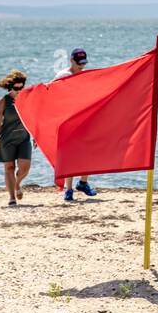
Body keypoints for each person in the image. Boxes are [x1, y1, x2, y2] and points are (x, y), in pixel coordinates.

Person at [54, 48, 98, 202]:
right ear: (71, 61)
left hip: (84, 120)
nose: (81, 66)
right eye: (79, 63)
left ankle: (83, 183)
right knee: (68, 156)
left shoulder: (86, 76)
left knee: (89, 152)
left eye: (84, 63)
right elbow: (52, 95)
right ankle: (69, 189)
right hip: (66, 122)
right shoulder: (63, 76)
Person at [0, 70, 32, 205]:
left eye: (22, 88)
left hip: (24, 138)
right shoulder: (4, 101)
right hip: (7, 139)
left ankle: (17, 184)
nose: (20, 91)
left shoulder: (27, 100)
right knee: (9, 167)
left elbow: (33, 118)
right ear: (10, 88)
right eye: (16, 88)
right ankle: (12, 197)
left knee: (25, 167)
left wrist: (37, 136)